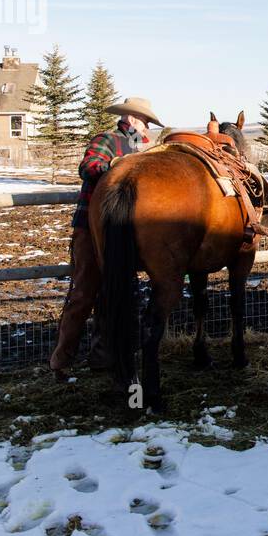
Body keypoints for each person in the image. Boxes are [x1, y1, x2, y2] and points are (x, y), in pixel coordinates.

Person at [49, 96, 164, 374]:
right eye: (146, 122)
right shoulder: (108, 140)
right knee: (85, 290)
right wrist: (116, 166)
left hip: (127, 228)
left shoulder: (149, 149)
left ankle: (103, 356)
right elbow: (88, 167)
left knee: (117, 290)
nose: (148, 128)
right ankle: (62, 361)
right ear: (133, 120)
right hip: (93, 225)